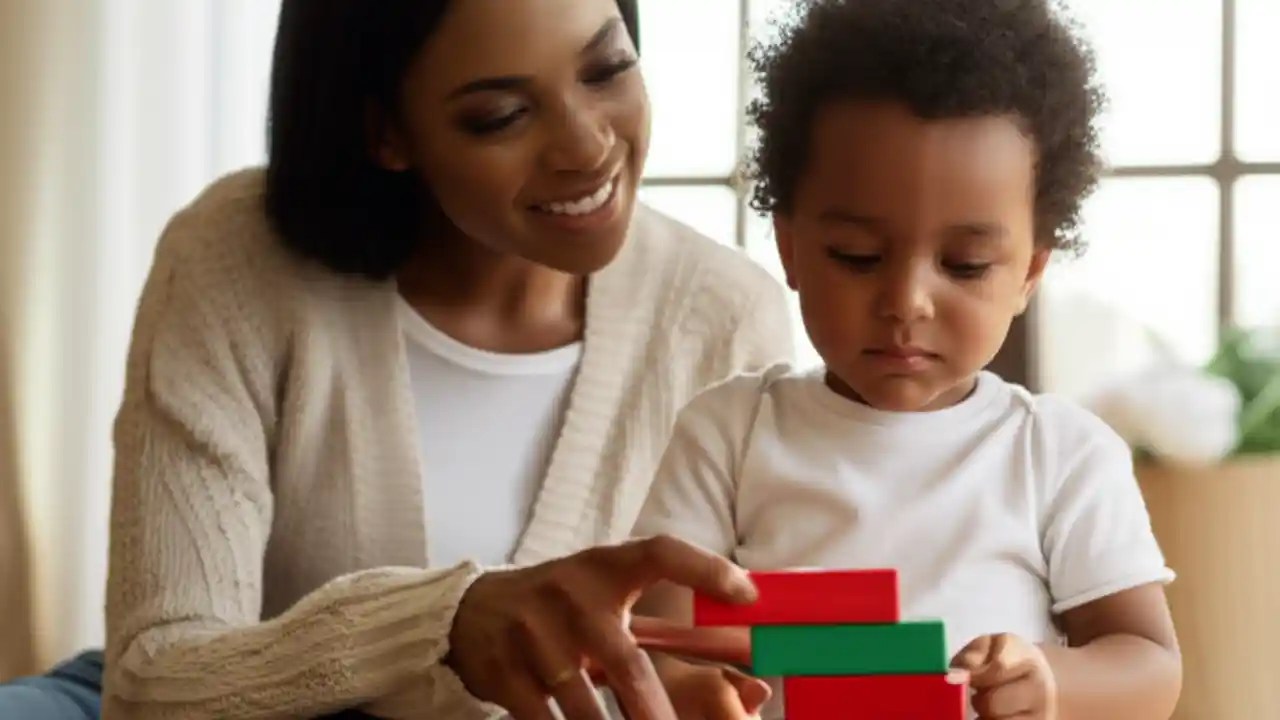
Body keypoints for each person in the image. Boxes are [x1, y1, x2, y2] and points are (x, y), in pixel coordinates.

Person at [5, 1, 797, 719]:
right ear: (385, 132)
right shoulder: (235, 260)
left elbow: (731, 663)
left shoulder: (725, 318)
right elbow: (153, 687)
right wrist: (441, 628)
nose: (587, 146)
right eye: (502, 115)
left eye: (607, 68)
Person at [631, 0, 1183, 718]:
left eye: (965, 264)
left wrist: (1049, 680)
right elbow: (661, 634)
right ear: (791, 248)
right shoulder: (729, 433)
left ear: (1030, 272)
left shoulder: (1059, 455)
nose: (906, 302)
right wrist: (688, 688)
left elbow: (1150, 666)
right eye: (857, 256)